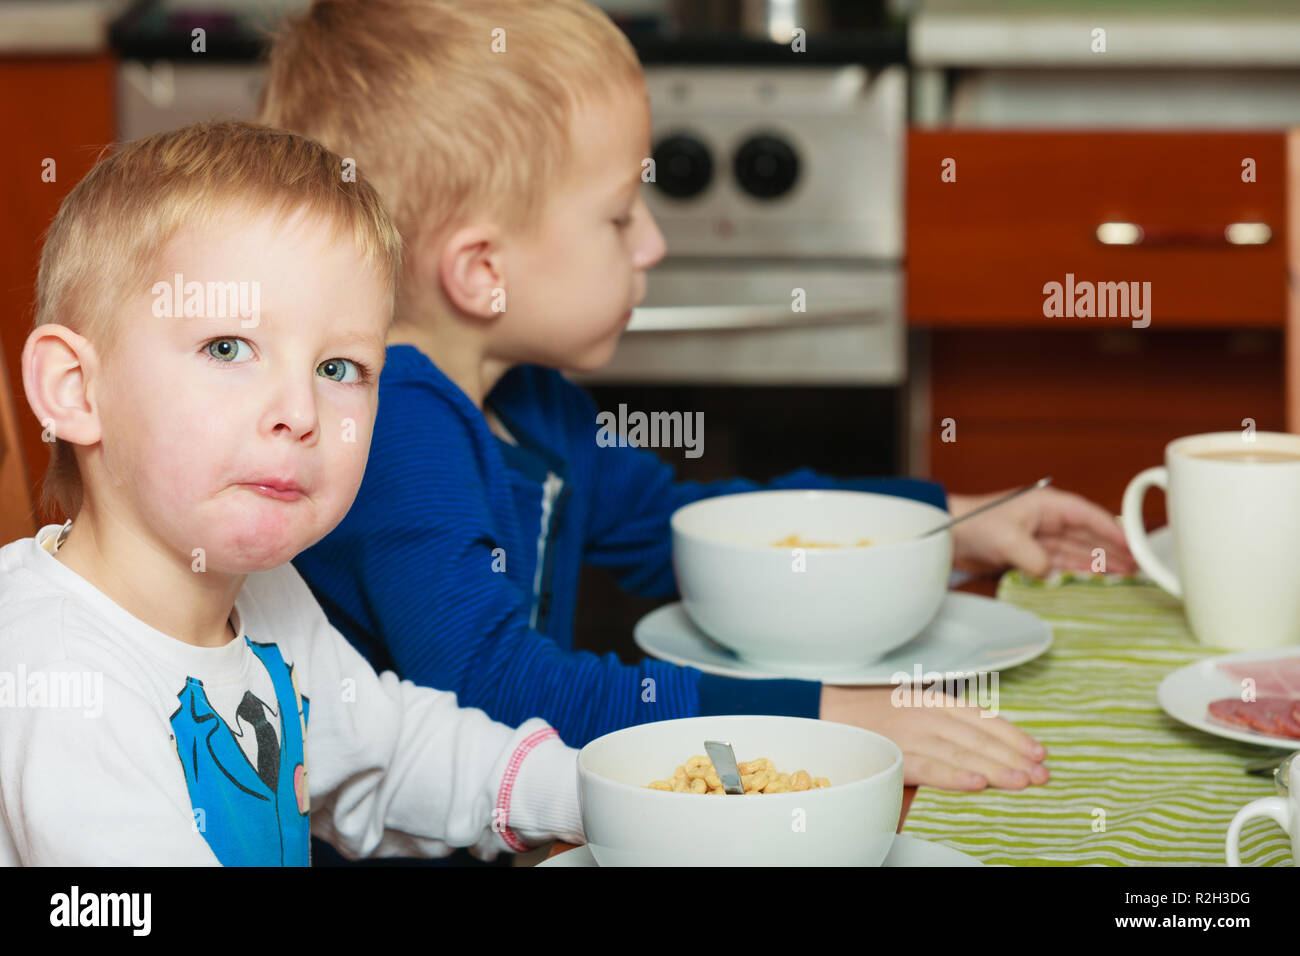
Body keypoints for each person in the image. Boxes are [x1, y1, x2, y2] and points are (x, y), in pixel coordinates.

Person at [259, 0, 1137, 807]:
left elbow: (687, 531)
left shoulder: (529, 403)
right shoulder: (399, 432)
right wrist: (815, 712)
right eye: (618, 215)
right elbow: (501, 687)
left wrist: (945, 522)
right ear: (482, 270)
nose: (654, 242)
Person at [0, 121, 584, 865]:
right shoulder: (59, 677)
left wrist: (583, 788)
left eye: (339, 368)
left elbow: (394, 755)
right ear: (77, 389)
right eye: (227, 348)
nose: (301, 415)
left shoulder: (264, 596)